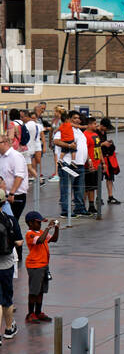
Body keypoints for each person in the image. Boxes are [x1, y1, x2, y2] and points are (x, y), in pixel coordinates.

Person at [23, 210, 59, 322]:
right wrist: (48, 228)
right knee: (34, 291)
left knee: (41, 290)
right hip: (35, 266)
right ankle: (30, 313)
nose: (40, 225)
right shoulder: (30, 234)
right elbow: (40, 241)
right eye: (38, 222)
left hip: (44, 265)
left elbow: (53, 239)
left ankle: (38, 312)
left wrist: (56, 228)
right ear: (30, 223)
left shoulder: (41, 232)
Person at [0, 187, 21, 342]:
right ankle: (8, 329)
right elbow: (19, 241)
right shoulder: (10, 220)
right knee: (6, 300)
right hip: (6, 265)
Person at [0, 128, 29, 220]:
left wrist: (12, 193)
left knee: (12, 223)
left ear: (5, 143)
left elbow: (19, 176)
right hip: (4, 195)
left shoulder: (15, 156)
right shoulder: (1, 156)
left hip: (15, 195)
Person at [81, 116, 101, 215]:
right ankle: (85, 206)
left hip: (97, 164)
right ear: (89, 125)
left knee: (94, 186)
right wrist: (89, 162)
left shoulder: (95, 134)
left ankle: (92, 206)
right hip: (90, 165)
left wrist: (103, 162)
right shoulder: (85, 135)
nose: (96, 125)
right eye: (94, 123)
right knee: (88, 187)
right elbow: (85, 150)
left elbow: (99, 148)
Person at [97, 123, 120, 204]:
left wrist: (108, 143)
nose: (106, 130)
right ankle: (98, 198)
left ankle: (110, 196)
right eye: (106, 128)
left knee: (110, 178)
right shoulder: (96, 132)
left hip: (107, 157)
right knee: (98, 178)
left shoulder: (104, 132)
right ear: (102, 125)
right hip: (99, 158)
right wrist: (103, 143)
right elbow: (94, 145)